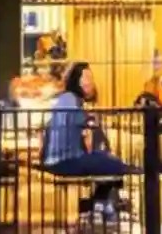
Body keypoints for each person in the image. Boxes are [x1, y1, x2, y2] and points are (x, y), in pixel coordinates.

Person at [43, 63, 132, 222]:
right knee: (115, 165)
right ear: (77, 80)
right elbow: (87, 140)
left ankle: (97, 204)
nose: (91, 82)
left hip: (58, 158)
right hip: (66, 159)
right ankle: (99, 204)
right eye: (87, 78)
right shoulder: (73, 101)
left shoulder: (65, 99)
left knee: (107, 161)